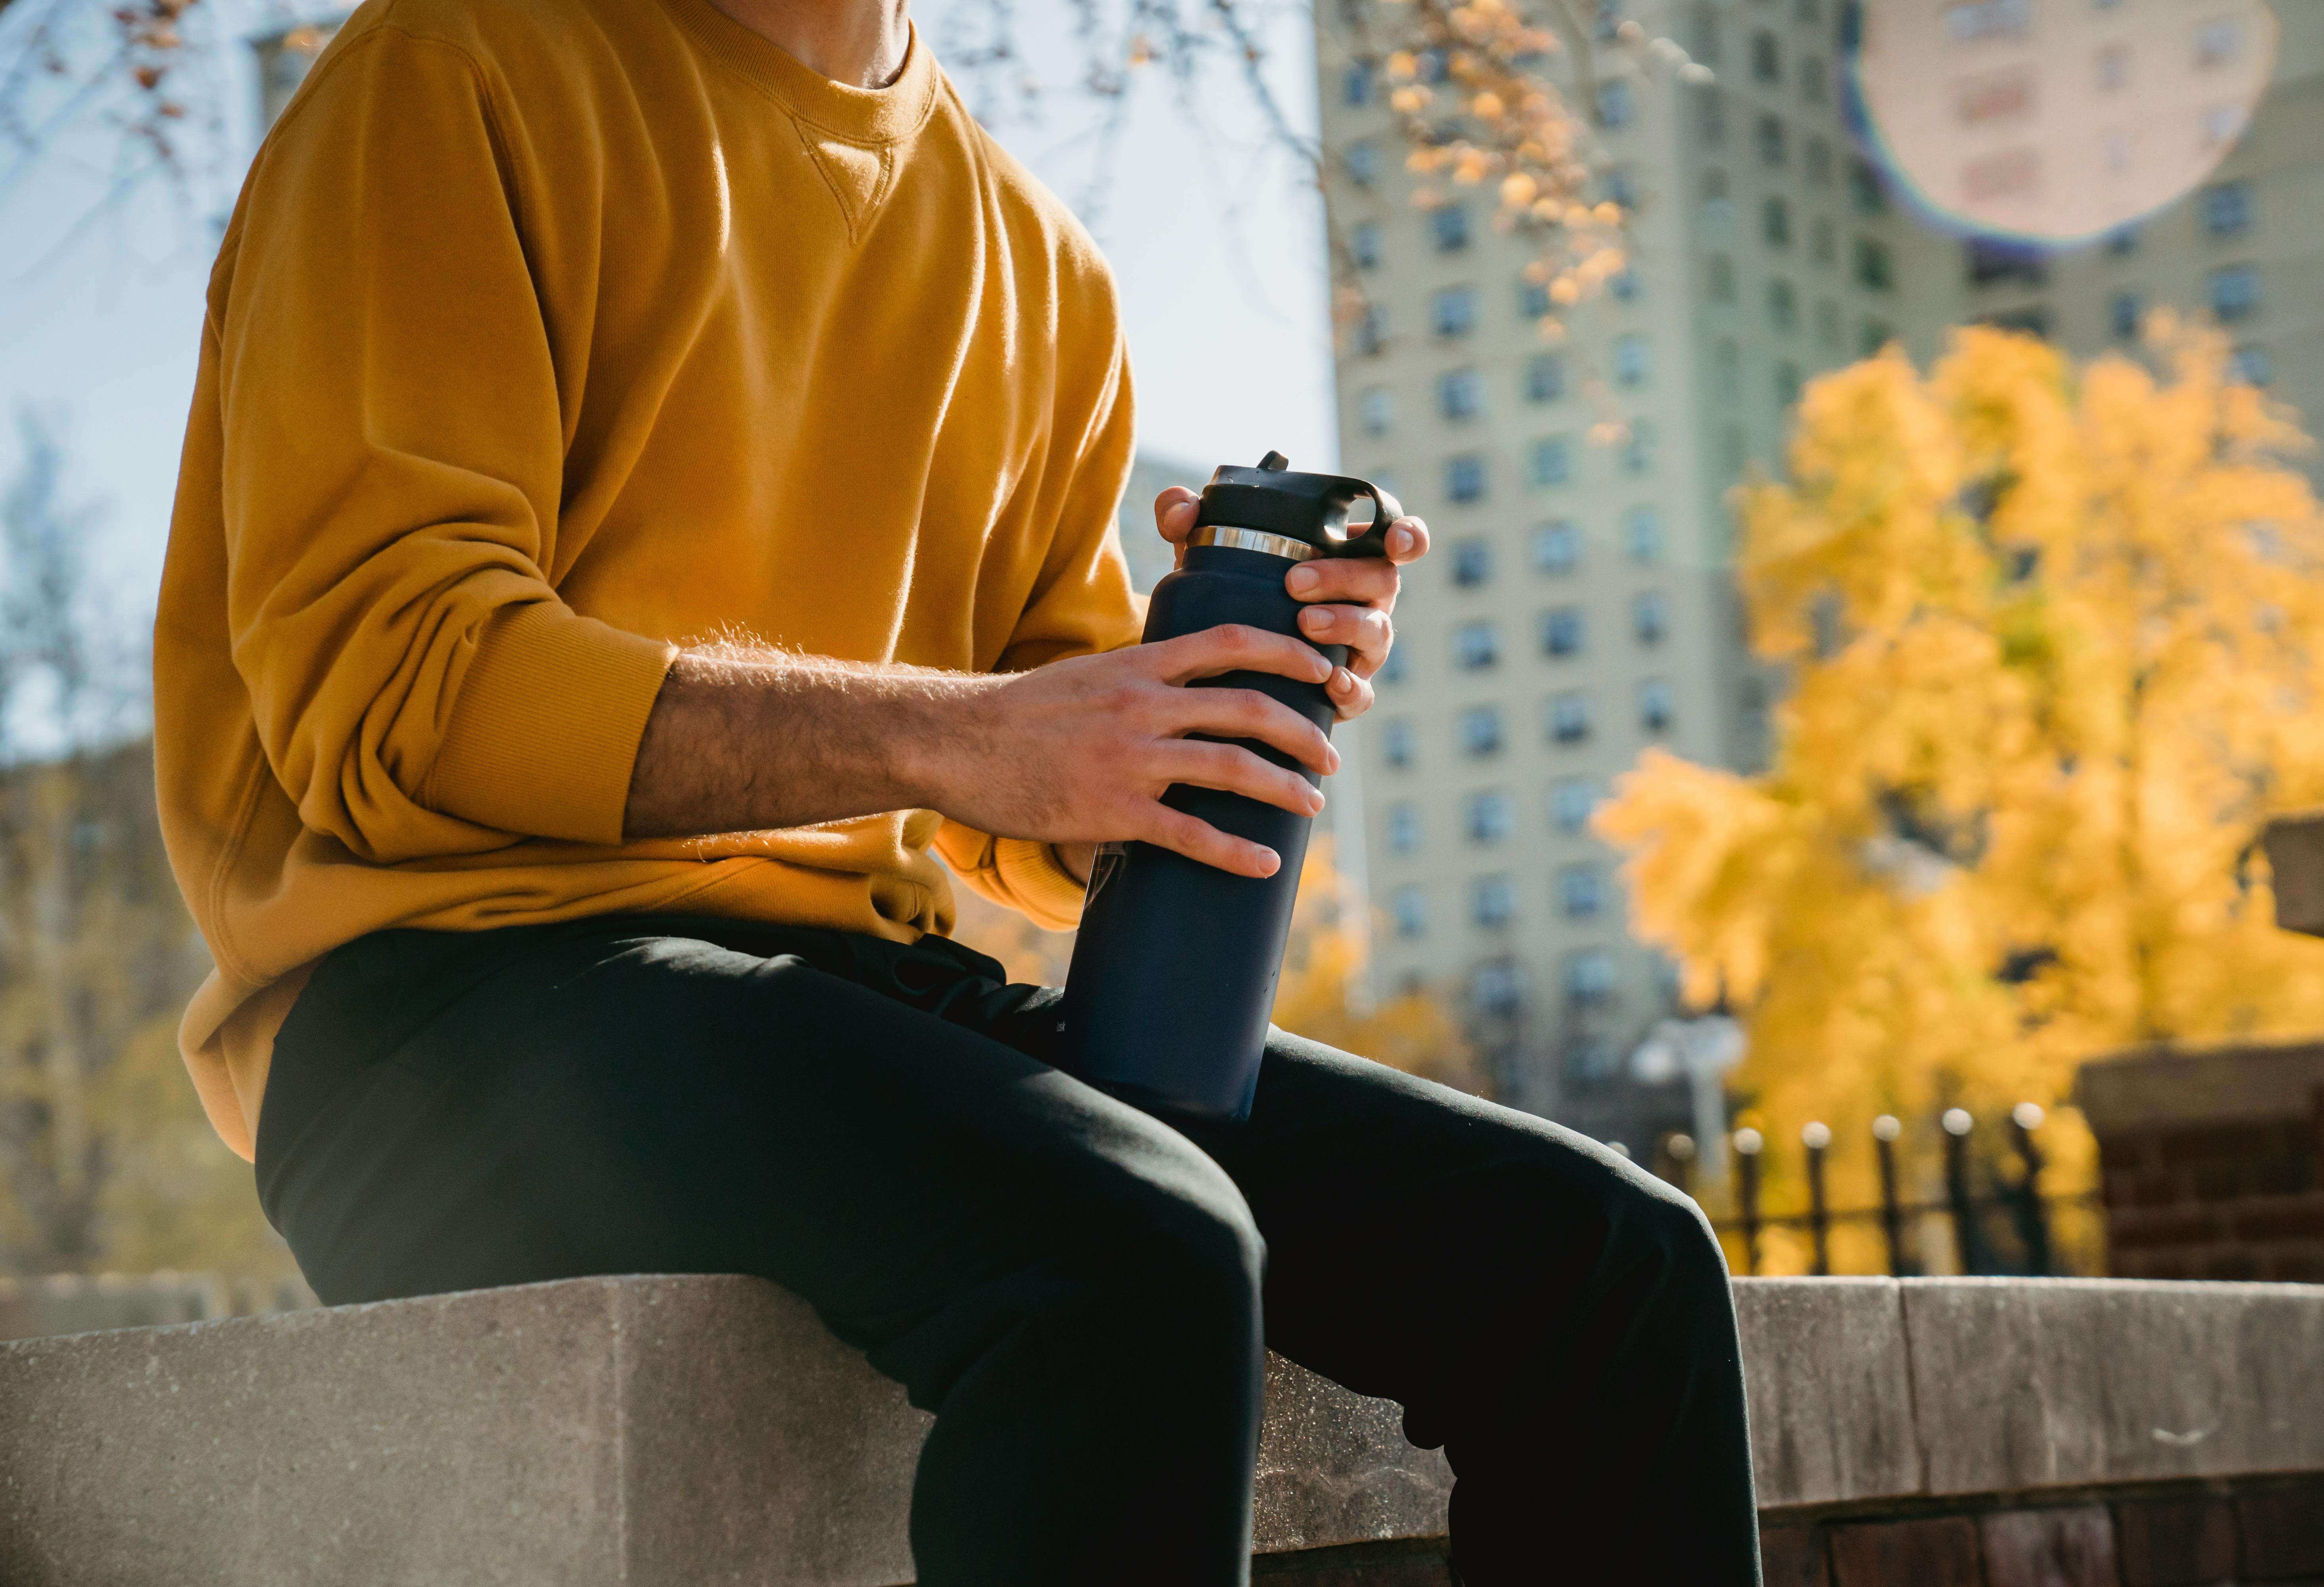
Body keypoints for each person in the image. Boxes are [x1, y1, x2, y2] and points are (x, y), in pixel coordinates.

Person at [152, 0, 1763, 1573]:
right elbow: (396, 700)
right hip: (445, 1017)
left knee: (1610, 1267)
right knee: (1133, 1247)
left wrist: (1194, 705)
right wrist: (964, 734)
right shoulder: (448, 68)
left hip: (854, 998)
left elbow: (1032, 821)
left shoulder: (1035, 254)